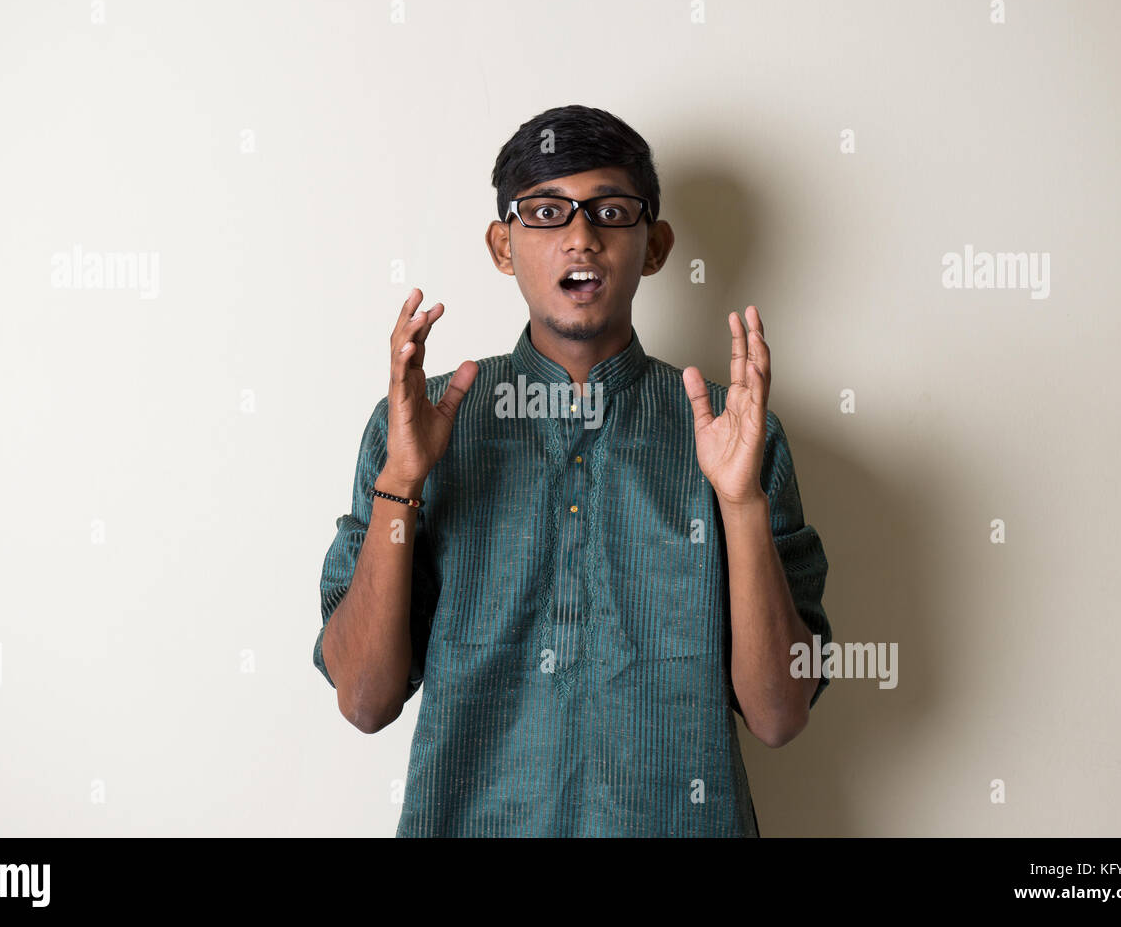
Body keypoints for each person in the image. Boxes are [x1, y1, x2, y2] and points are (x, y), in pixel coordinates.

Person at [314, 104, 833, 837]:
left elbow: (779, 716)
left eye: (611, 212)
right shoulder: (420, 424)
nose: (581, 237)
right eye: (548, 212)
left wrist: (740, 501)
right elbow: (364, 701)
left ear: (654, 246)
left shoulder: (736, 433)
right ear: (502, 245)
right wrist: (403, 479)